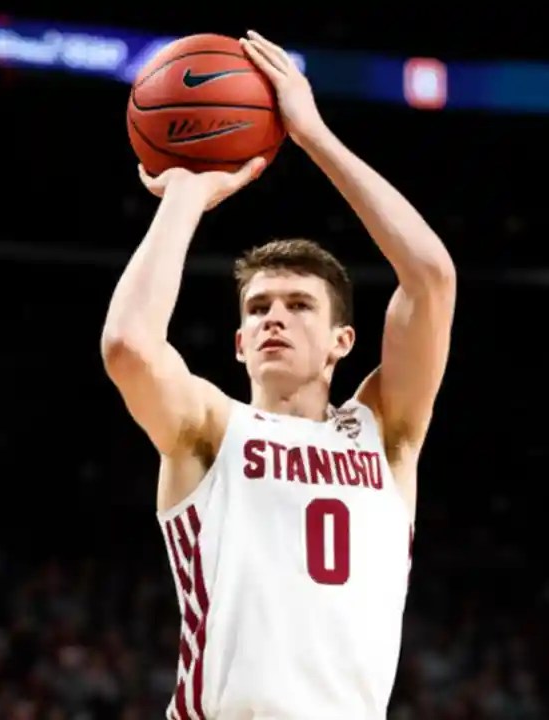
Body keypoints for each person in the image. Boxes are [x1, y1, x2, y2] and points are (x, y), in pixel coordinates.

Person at [101, 31, 457, 720]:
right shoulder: (211, 431)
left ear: (341, 342)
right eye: (259, 308)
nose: (275, 318)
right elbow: (127, 346)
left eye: (299, 306)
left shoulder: (385, 433)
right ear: (238, 344)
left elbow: (432, 277)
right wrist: (187, 192)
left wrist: (313, 133)